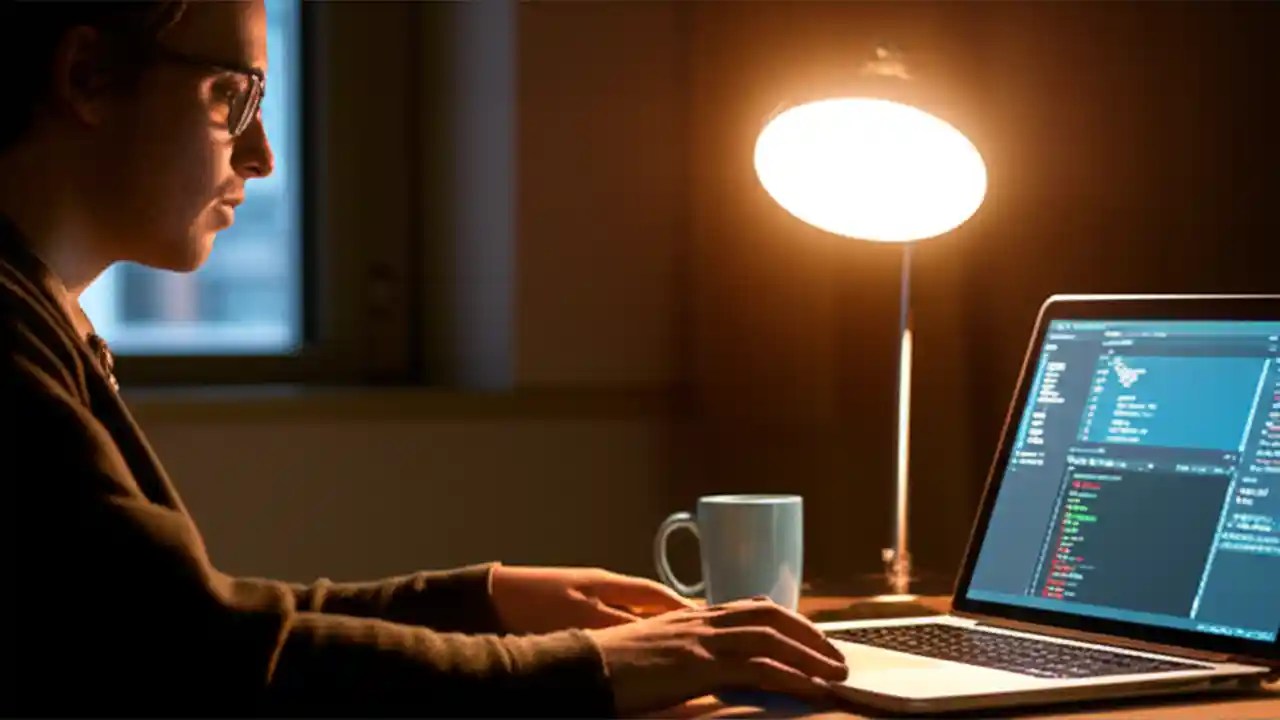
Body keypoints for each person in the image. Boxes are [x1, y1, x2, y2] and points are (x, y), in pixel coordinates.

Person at [0, 0, 850, 716]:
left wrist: (481, 597)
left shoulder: (37, 313)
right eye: (231, 95)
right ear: (88, 77)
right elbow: (211, 663)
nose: (259, 157)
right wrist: (598, 664)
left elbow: (186, 621)